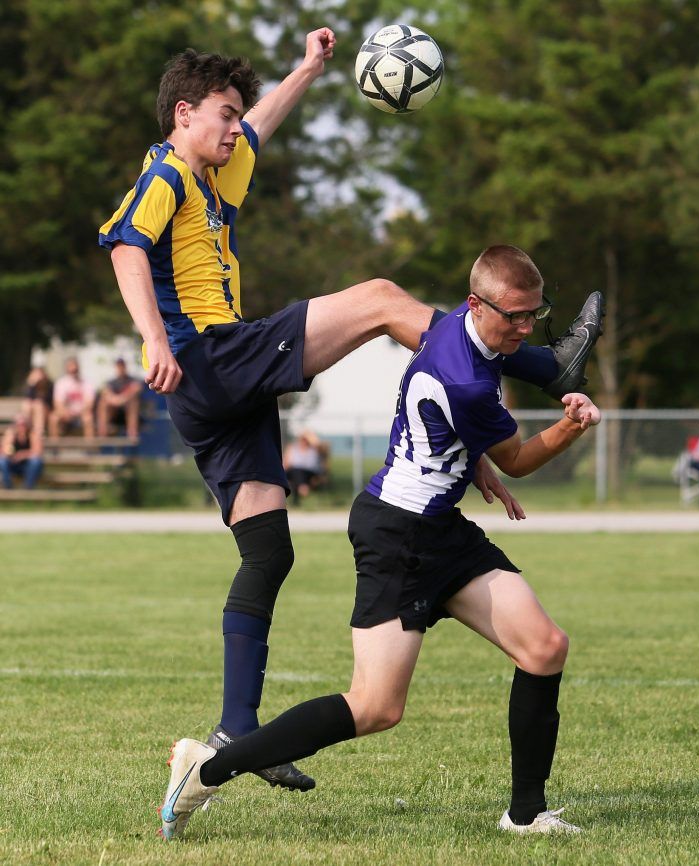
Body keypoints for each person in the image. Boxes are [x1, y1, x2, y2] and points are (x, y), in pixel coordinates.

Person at [98, 29, 604, 795]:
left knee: (269, 553)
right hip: (208, 357)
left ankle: (237, 732)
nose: (237, 126)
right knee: (379, 301)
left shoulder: (216, 172)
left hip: (208, 398)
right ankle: (546, 362)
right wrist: (150, 338)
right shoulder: (168, 171)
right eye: (224, 113)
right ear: (182, 113)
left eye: (237, 115)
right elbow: (126, 247)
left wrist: (306, 69)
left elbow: (260, 127)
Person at [157, 244, 601, 840]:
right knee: (375, 707)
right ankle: (208, 768)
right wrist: (571, 422)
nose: (525, 328)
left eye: (534, 315)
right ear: (477, 304)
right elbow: (519, 460)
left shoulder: (453, 332)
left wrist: (468, 459)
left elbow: (443, 426)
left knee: (545, 648)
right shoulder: (467, 377)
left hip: (441, 528)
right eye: (513, 316)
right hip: (398, 534)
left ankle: (526, 816)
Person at [49, 357, 95, 439]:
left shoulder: (87, 383)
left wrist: (79, 412)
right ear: (67, 369)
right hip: (65, 413)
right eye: (71, 367)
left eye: (75, 367)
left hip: (82, 413)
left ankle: (90, 448)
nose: (73, 369)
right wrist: (66, 412)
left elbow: (89, 403)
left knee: (88, 419)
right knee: (53, 418)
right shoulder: (61, 383)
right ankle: (55, 447)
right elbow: (58, 403)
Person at [97, 358, 142, 439]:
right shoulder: (111, 382)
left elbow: (136, 388)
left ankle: (132, 433)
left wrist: (122, 398)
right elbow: (106, 392)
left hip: (128, 411)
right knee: (103, 403)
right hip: (113, 412)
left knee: (133, 403)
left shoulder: (132, 380)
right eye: (119, 366)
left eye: (122, 366)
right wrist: (116, 400)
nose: (120, 368)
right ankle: (102, 433)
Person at [283, 430, 328, 503]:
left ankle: (300, 491)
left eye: (306, 439)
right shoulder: (292, 448)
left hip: (309, 473)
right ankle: (303, 487)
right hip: (293, 471)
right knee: (296, 471)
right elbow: (286, 464)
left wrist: (312, 439)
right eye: (302, 439)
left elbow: (320, 446)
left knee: (298, 473)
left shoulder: (314, 449)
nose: (304, 441)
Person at [0, 414, 44, 490]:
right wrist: (10, 444)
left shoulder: (32, 434)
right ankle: (8, 486)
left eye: (23, 424)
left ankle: (27, 488)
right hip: (14, 465)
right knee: (2, 461)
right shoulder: (11, 434)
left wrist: (22, 455)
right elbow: (3, 451)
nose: (21, 427)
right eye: (19, 424)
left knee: (36, 461)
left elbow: (38, 452)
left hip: (28, 466)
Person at [21, 367, 54, 436]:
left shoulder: (50, 385)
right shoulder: (32, 386)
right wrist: (32, 385)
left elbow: (48, 401)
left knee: (38, 405)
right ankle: (26, 431)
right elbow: (28, 397)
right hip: (33, 411)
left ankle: (38, 434)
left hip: (47, 411)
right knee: (26, 404)